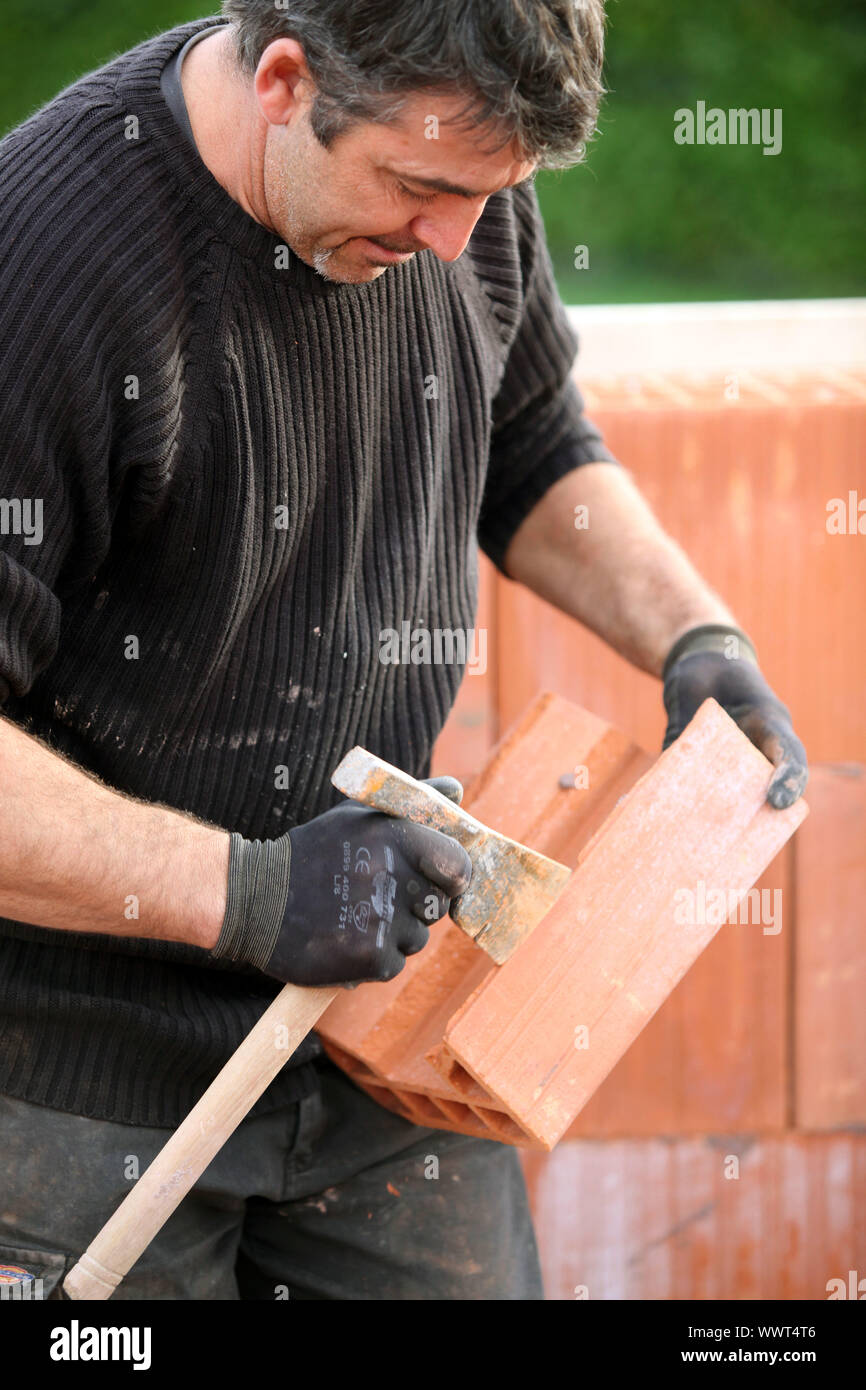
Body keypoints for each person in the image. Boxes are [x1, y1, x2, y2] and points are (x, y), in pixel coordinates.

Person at [0, 1, 806, 1301]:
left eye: (496, 194)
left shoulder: (461, 177)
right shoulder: (40, 261)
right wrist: (255, 893)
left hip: (384, 1038)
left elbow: (532, 439)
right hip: (75, 1102)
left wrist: (694, 635)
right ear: (281, 78)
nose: (453, 242)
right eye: (422, 187)